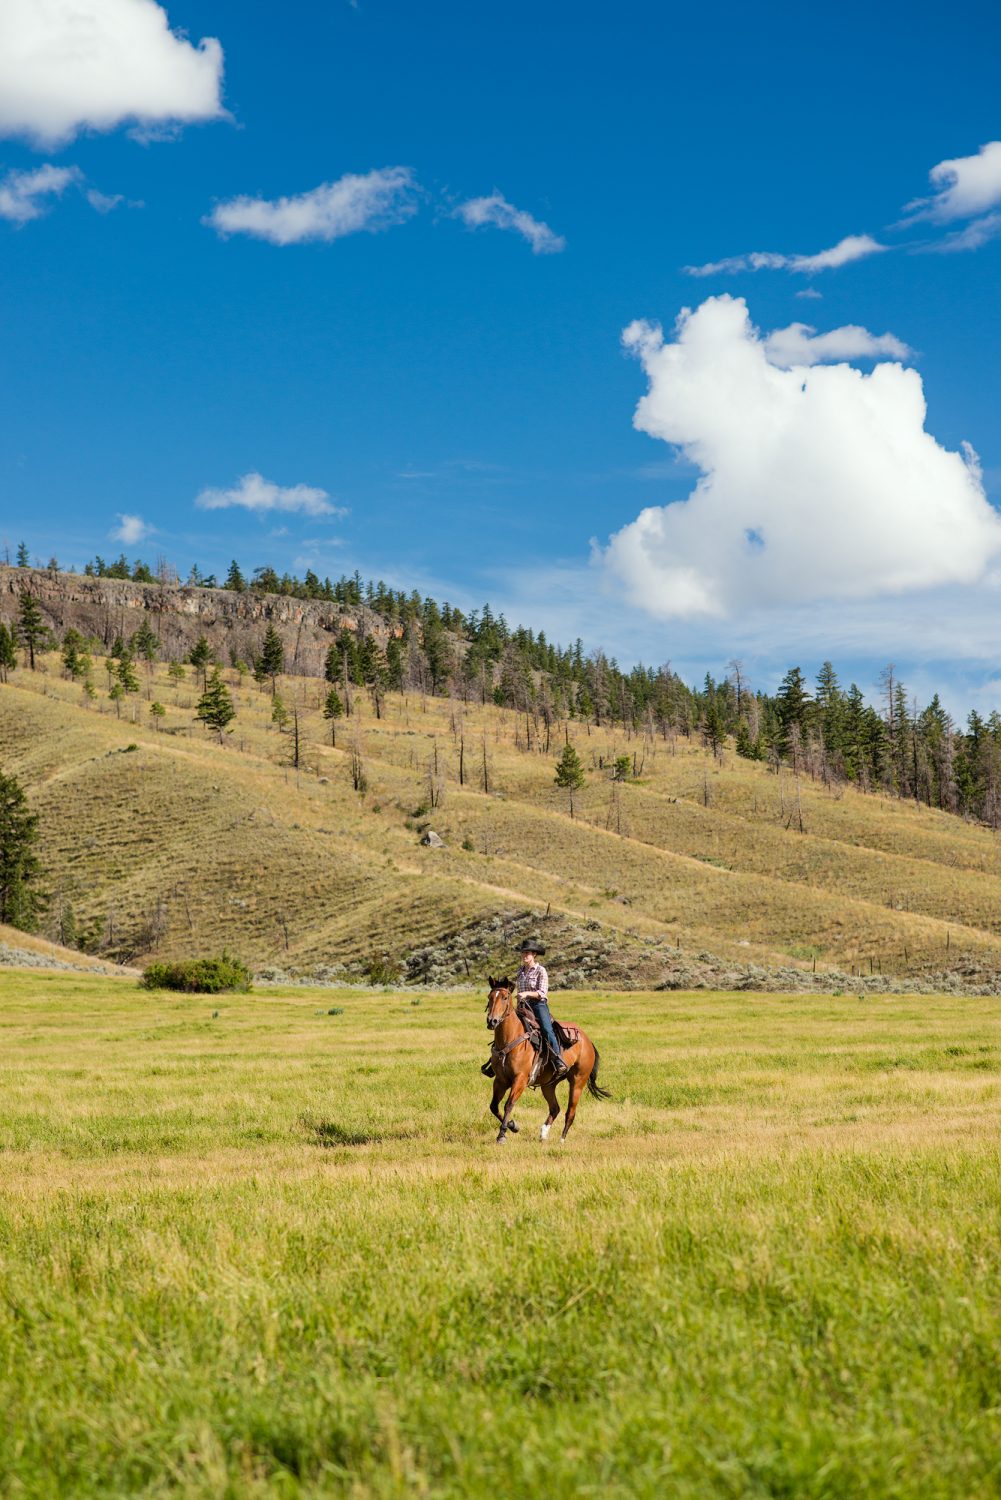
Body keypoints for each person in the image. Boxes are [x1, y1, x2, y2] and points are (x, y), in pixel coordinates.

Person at [517, 938, 569, 1080]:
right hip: (523, 1006)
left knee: (546, 1029)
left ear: (534, 954)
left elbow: (542, 993)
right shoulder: (520, 971)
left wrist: (527, 994)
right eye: (523, 953)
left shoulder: (541, 970)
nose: (524, 955)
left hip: (538, 1005)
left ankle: (559, 1060)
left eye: (527, 953)